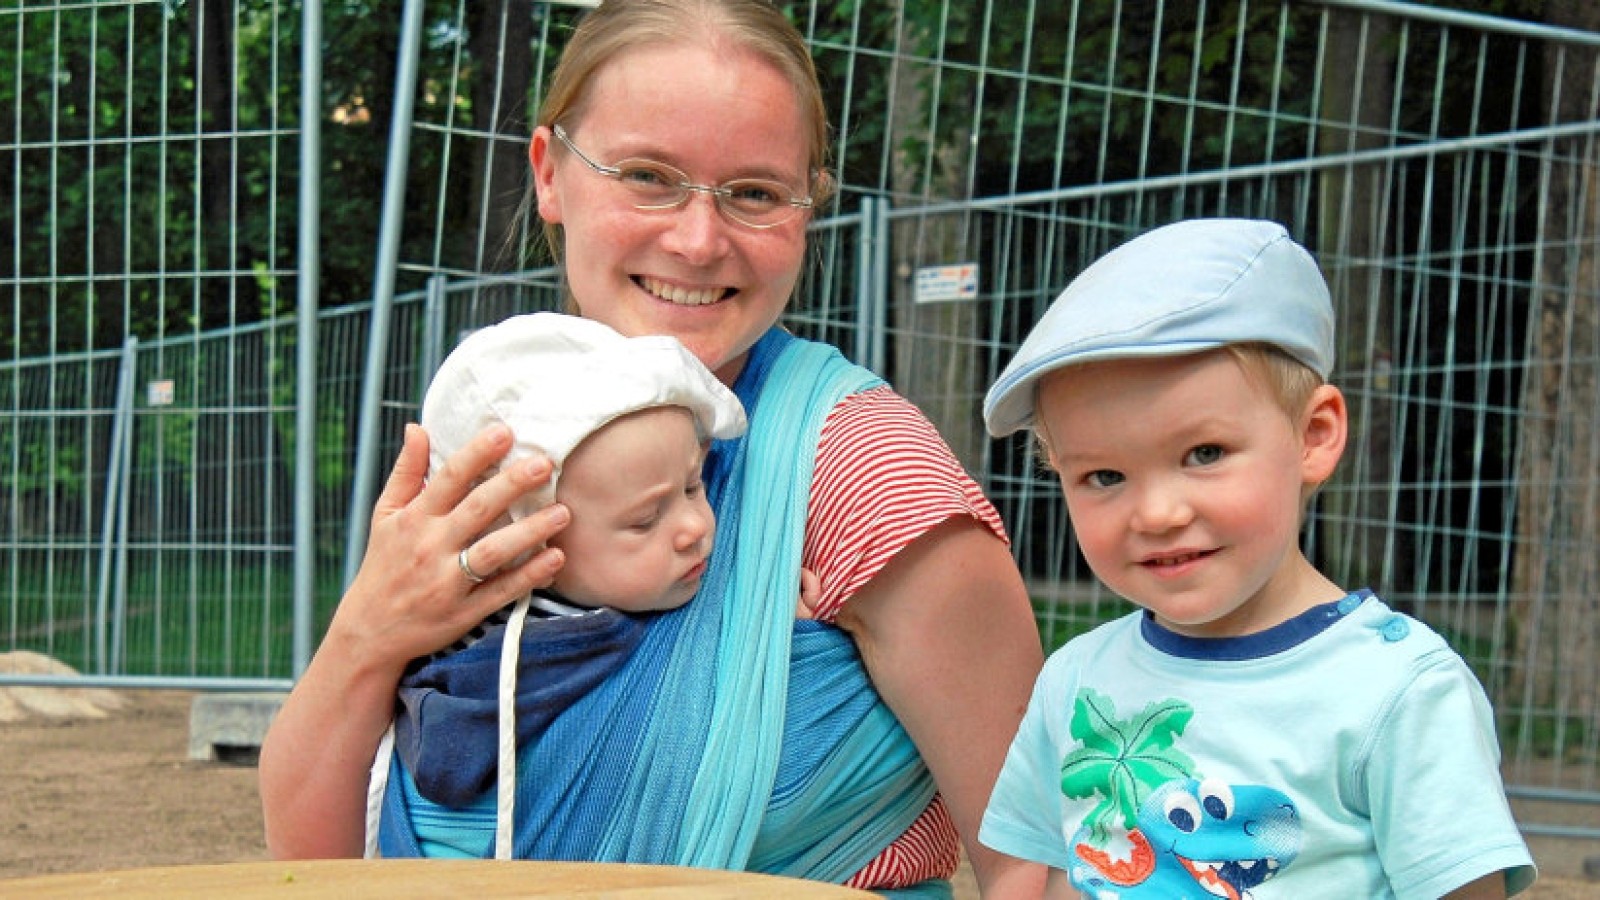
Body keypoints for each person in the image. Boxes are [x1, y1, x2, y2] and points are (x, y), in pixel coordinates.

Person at [258, 1, 1047, 896]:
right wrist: (367, 634)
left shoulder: (862, 469)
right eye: (647, 176)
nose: (699, 240)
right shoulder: (503, 440)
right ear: (550, 174)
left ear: (810, 204)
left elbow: (1033, 861)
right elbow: (311, 862)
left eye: (755, 193)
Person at [977, 218, 1536, 899]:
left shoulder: (1399, 692)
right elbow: (1055, 873)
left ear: (1314, 436)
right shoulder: (1074, 682)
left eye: (1204, 454)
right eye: (1104, 476)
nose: (1156, 513)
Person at [364, 311, 748, 857]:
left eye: (693, 485)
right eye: (643, 520)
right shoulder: (501, 656)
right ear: (529, 542)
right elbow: (445, 762)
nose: (694, 528)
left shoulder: (663, 573)